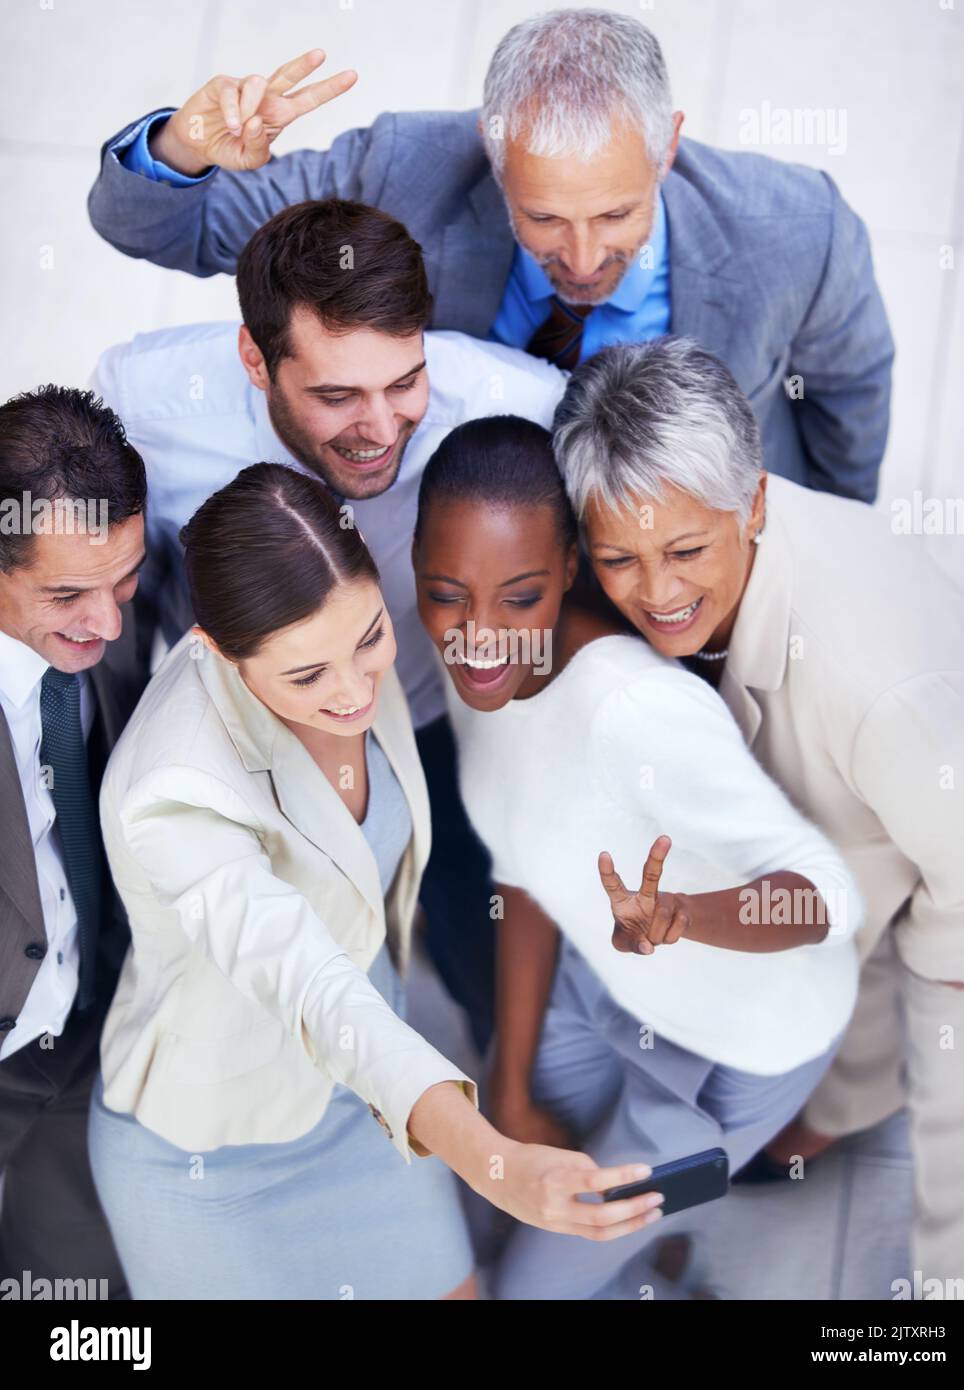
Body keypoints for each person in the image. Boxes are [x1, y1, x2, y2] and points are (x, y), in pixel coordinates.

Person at [86, 461, 663, 1301]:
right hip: (209, 1153)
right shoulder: (172, 787)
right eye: (308, 677)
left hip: (369, 1103)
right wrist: (492, 1164)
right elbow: (308, 980)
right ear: (216, 653)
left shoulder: (342, 628)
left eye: (366, 643)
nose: (355, 689)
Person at [551, 335, 964, 1290]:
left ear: (753, 503)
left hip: (954, 853)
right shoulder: (683, 524)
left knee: (938, 1045)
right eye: (620, 559)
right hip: (838, 811)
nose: (658, 594)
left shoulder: (886, 691)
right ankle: (840, 1100)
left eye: (684, 553)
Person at [89, 195, 566, 1056]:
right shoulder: (147, 407)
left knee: (476, 939)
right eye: (338, 396)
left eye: (404, 383)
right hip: (252, 739)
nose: (381, 429)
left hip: (431, 721)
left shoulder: (520, 403)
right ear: (254, 359)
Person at [410, 415, 864, 1300]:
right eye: (446, 591)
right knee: (515, 1171)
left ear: (569, 570)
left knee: (533, 1287)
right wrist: (507, 1081)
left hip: (743, 1044)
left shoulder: (635, 713)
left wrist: (684, 918)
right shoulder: (486, 673)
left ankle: (651, 1249)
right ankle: (645, 1255)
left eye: (519, 597)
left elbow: (826, 898)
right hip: (607, 984)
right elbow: (523, 871)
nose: (477, 635)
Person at [86, 9, 893, 503]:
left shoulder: (799, 230)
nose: (580, 258)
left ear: (669, 148)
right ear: (492, 151)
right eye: (541, 216)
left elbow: (848, 397)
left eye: (616, 213)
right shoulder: (403, 168)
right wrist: (185, 149)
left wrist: (820, 546)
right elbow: (158, 227)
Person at [0, 385, 148, 1298]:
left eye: (121, 580)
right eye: (67, 594)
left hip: (84, 1043)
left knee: (85, 1316)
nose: (108, 622)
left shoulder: (118, 634)